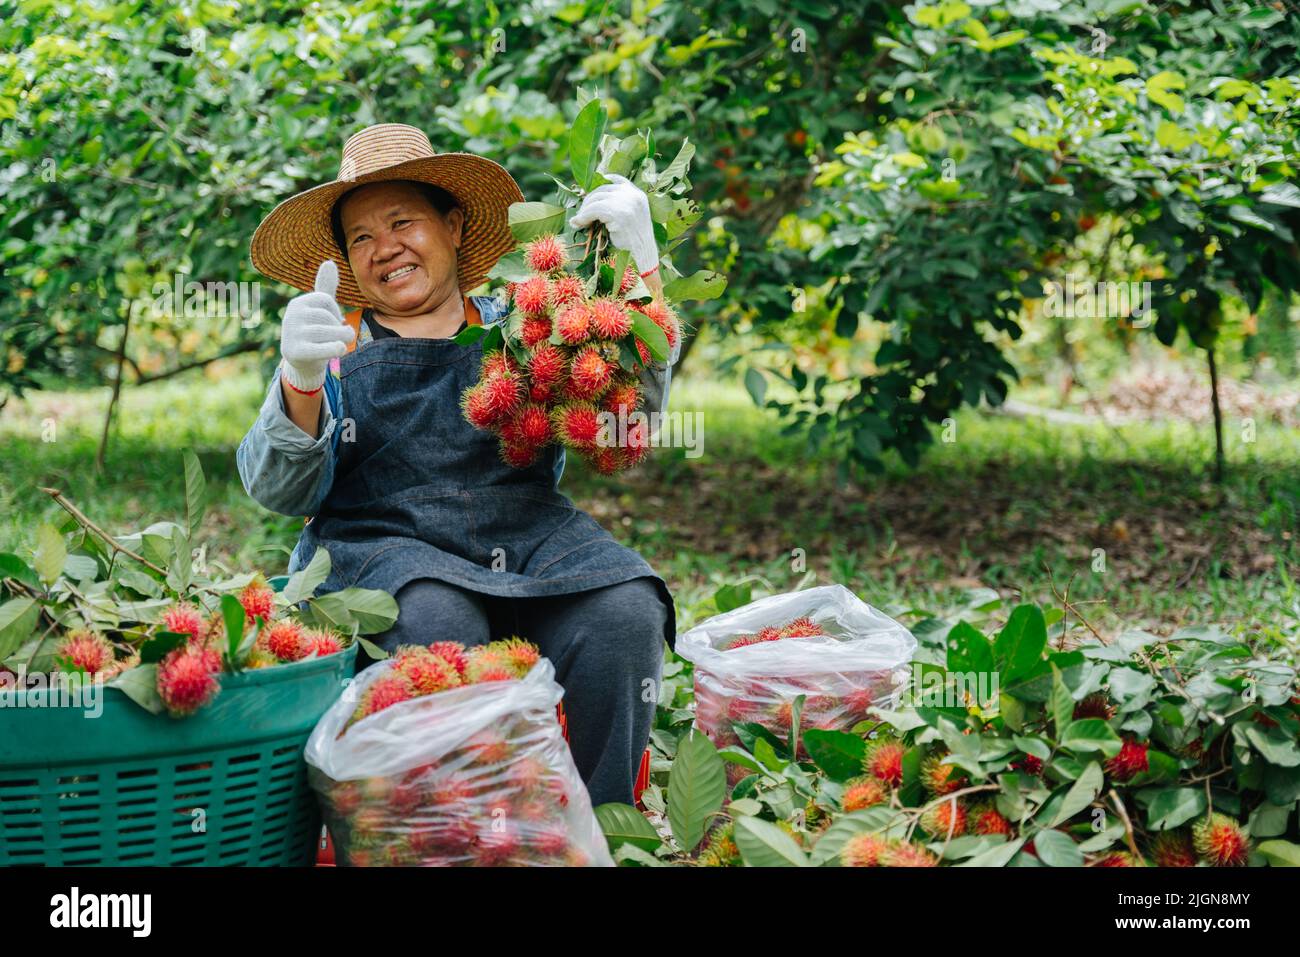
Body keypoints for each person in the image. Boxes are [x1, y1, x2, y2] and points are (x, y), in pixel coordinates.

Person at [238, 123, 678, 807]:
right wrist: (298, 377)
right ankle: (451, 835)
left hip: (531, 538)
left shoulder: (525, 324)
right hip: (385, 551)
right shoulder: (332, 342)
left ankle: (600, 827)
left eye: (401, 221)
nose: (384, 248)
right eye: (360, 238)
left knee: (626, 610)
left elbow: (629, 423)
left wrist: (641, 275)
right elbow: (276, 485)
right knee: (439, 623)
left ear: (451, 227)